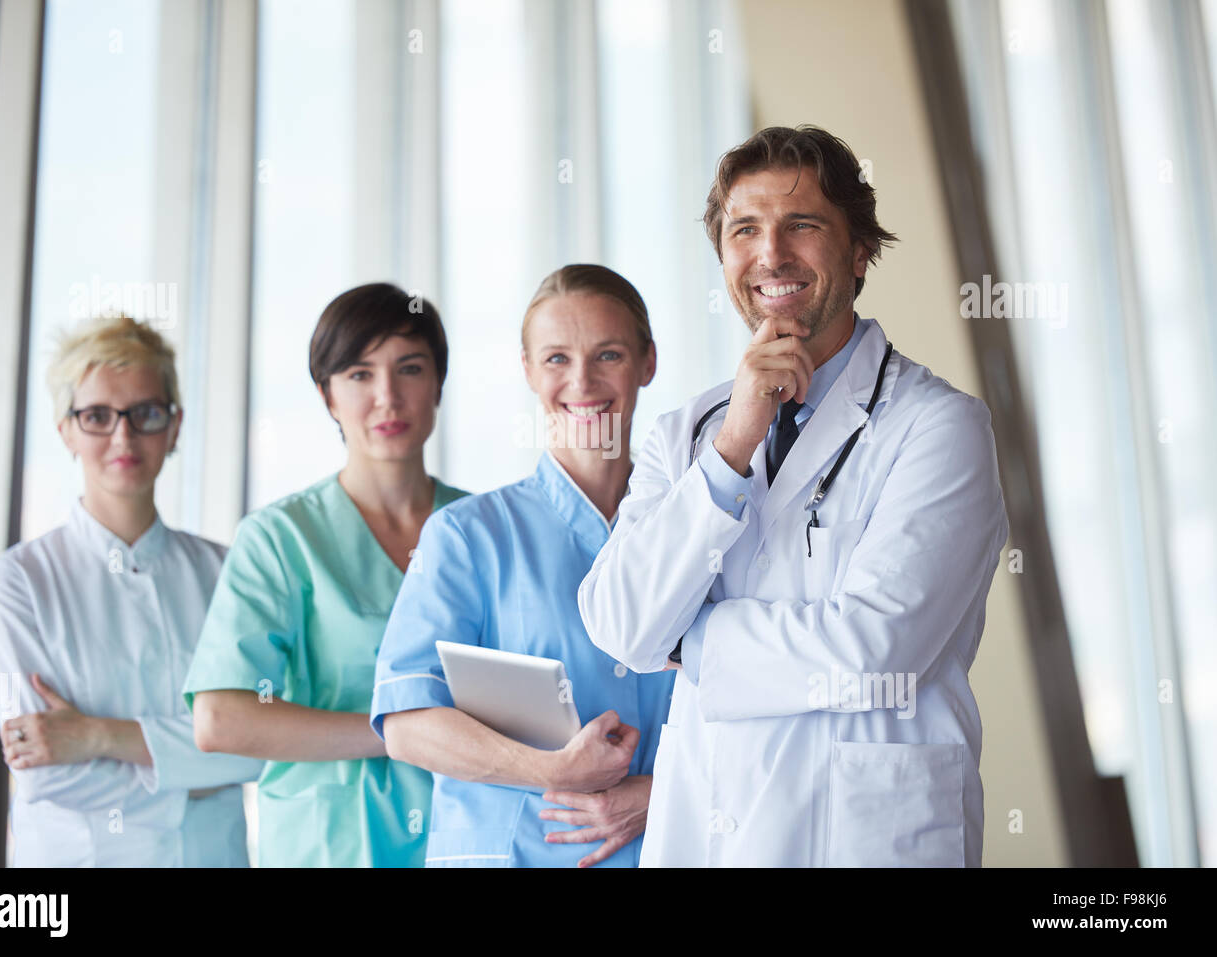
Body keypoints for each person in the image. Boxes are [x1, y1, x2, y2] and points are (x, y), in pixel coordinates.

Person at [578, 126, 1010, 867]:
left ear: (860, 251)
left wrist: (690, 637)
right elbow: (620, 623)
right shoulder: (688, 435)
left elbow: (873, 650)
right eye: (745, 229)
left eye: (802, 225)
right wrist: (734, 443)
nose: (770, 253)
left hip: (864, 836)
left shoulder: (939, 427)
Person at [370, 264, 676, 868]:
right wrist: (552, 771)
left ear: (647, 362)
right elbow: (406, 723)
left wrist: (663, 792)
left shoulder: (696, 529)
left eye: (608, 354)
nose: (582, 381)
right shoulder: (467, 536)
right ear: (529, 370)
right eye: (557, 358)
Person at [184, 283, 467, 867]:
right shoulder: (281, 539)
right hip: (330, 846)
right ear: (328, 396)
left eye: (409, 368)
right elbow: (220, 718)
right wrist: (401, 734)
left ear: (438, 383)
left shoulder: (484, 530)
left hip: (466, 830)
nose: (387, 397)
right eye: (360, 375)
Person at [0, 315, 263, 867]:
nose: (123, 436)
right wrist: (194, 768)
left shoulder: (227, 571)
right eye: (97, 416)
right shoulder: (20, 579)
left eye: (146, 413)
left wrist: (96, 737)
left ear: (175, 425)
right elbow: (43, 771)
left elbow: (256, 751)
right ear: (66, 430)